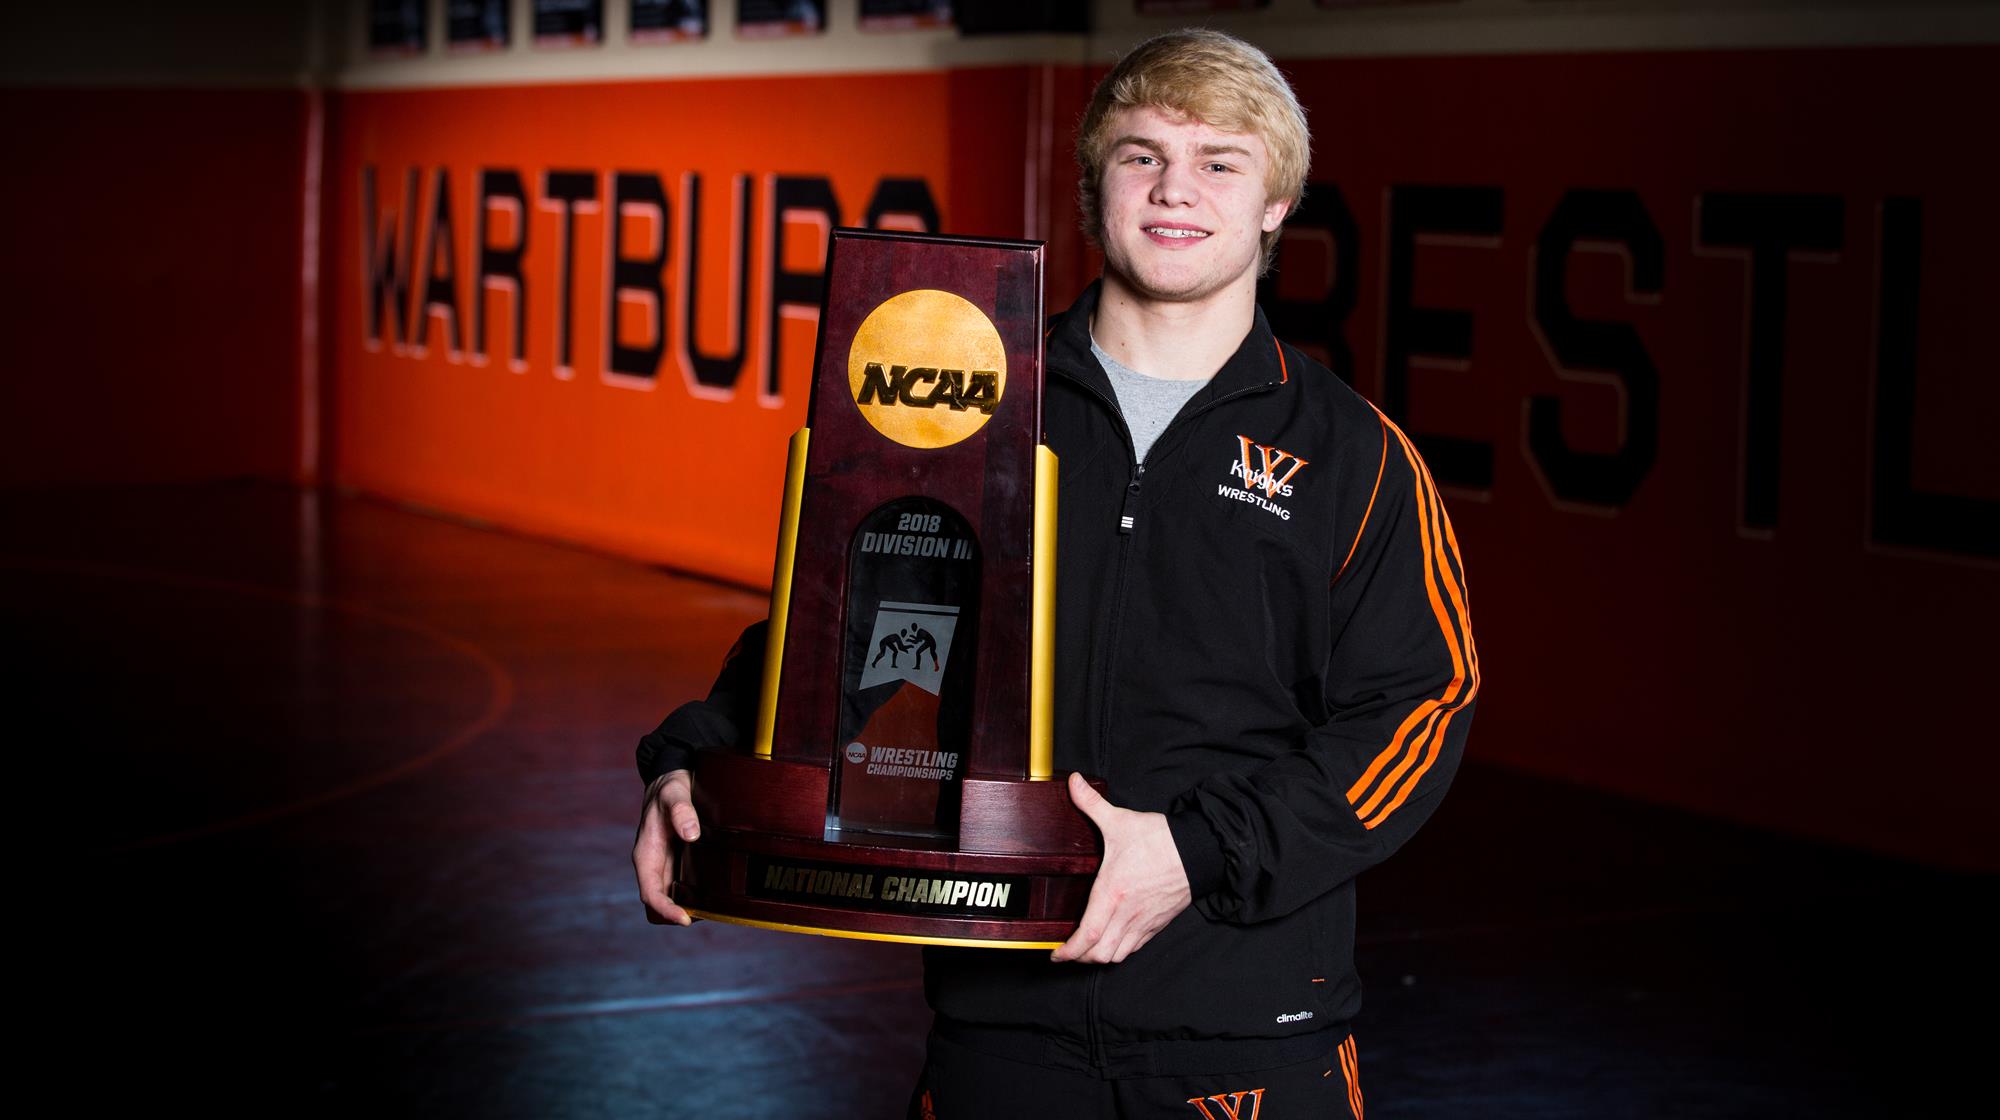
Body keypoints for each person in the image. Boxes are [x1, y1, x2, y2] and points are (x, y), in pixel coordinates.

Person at [634, 28, 1477, 1118]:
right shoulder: (972, 406)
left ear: (1276, 203)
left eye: (1220, 161)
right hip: (998, 1017)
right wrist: (689, 760)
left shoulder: (1351, 455)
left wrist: (1196, 852)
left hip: (1243, 1033)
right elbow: (844, 611)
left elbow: (1420, 704)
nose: (1176, 189)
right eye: (1140, 155)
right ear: (1095, 185)